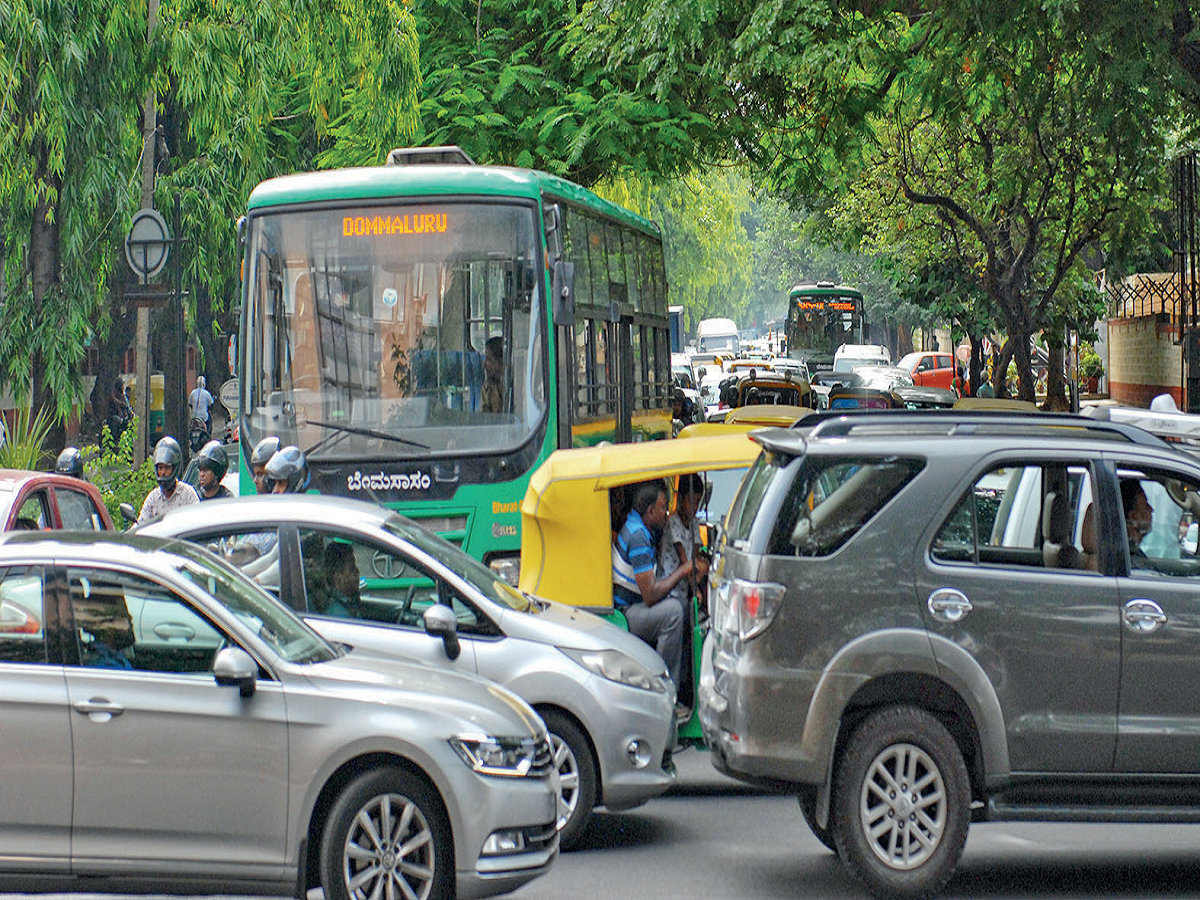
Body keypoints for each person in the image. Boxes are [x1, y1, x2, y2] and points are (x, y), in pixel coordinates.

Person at [613, 479, 692, 694]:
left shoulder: (640, 526)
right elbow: (650, 595)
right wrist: (682, 571)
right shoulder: (638, 536)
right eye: (663, 507)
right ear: (650, 511)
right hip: (626, 612)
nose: (666, 513)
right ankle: (663, 688)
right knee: (674, 612)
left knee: (684, 605)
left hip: (634, 605)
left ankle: (684, 682)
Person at [659, 473, 704, 610]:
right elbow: (685, 561)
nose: (694, 507)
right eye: (691, 501)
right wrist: (695, 590)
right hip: (669, 589)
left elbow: (695, 555)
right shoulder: (673, 522)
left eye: (697, 502)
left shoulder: (694, 523)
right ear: (680, 499)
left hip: (684, 589)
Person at [137, 436, 199, 525]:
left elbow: (197, 523)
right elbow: (140, 524)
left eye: (167, 467)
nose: (163, 472)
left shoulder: (188, 494)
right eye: (160, 468)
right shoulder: (153, 498)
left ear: (174, 468)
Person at [320, 541, 361, 618]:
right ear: (337, 577)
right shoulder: (338, 615)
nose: (357, 572)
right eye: (352, 569)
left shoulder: (350, 602)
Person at [1122, 478, 1153, 559]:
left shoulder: (1128, 552)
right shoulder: (1129, 559)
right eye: (1146, 505)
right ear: (1133, 517)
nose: (1151, 509)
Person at [481, 336, 504, 413]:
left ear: (500, 361)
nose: (484, 365)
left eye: (489, 359)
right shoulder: (487, 388)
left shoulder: (516, 386)